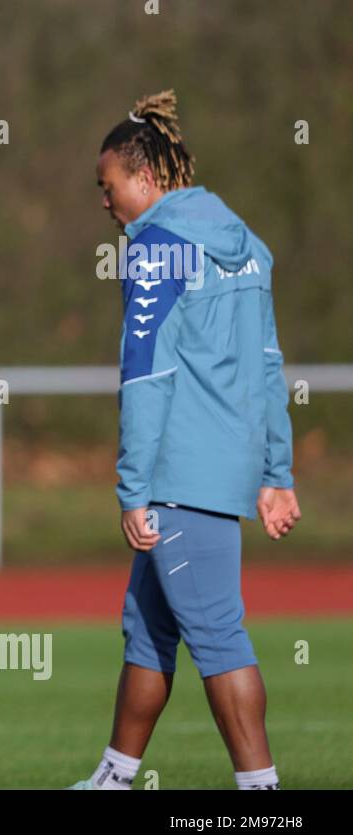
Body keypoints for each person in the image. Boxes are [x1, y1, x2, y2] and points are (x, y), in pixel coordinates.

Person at [73, 90, 300, 791]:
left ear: (143, 179)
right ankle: (115, 779)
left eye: (107, 187)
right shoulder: (246, 243)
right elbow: (267, 366)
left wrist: (132, 488)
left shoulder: (158, 252)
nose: (104, 203)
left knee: (218, 637)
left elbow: (147, 376)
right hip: (223, 469)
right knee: (148, 634)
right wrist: (276, 472)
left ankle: (261, 799)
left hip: (177, 478)